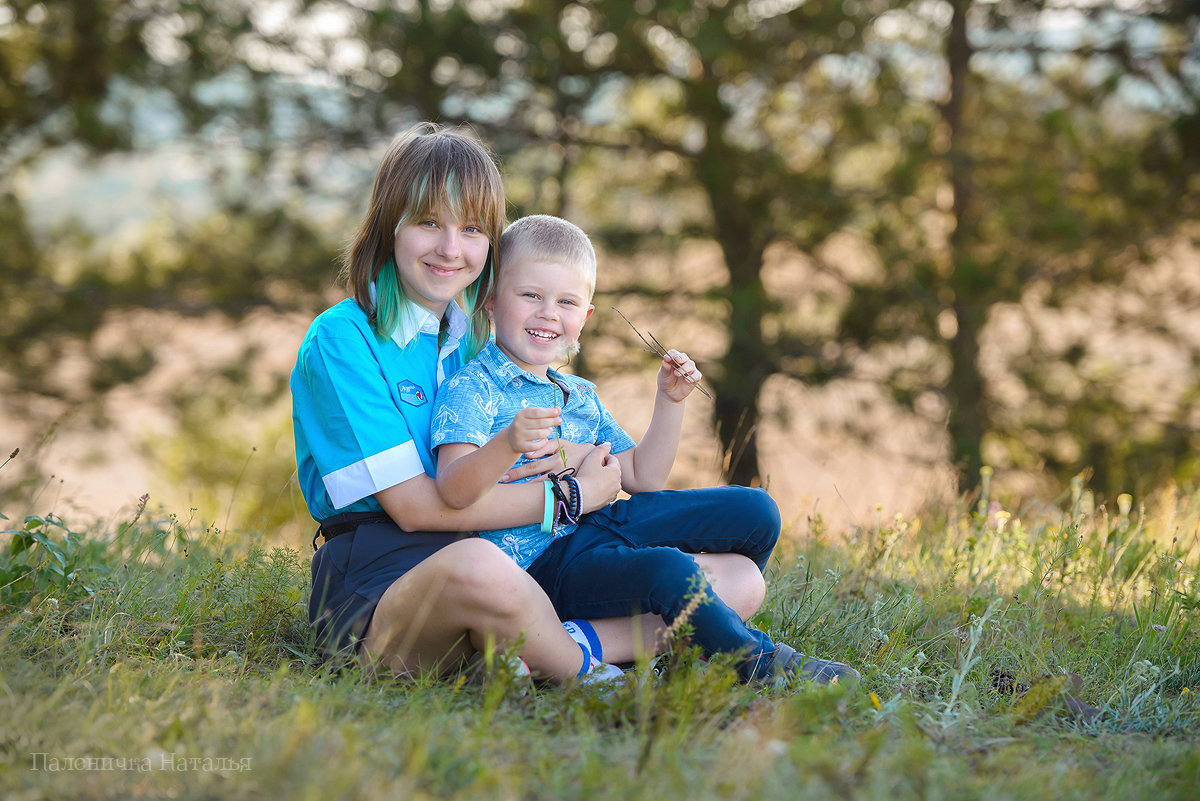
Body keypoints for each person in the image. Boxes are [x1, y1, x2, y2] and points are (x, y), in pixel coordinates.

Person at [292, 124, 766, 683]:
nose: (450, 248)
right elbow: (418, 510)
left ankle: (541, 648)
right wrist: (571, 495)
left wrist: (578, 458)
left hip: (512, 556)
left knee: (738, 579)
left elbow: (613, 463)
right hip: (385, 575)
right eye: (426, 223)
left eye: (472, 229)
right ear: (386, 225)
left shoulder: (471, 333)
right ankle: (590, 676)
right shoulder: (344, 340)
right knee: (480, 567)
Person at [430, 215, 860, 687]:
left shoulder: (578, 393)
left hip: (598, 527)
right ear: (490, 300)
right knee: (669, 570)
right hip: (540, 565)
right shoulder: (473, 387)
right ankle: (756, 661)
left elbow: (641, 476)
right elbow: (453, 488)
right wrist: (507, 443)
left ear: (584, 318)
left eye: (567, 302)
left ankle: (693, 635)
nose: (548, 313)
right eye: (530, 295)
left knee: (755, 510)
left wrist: (669, 402)